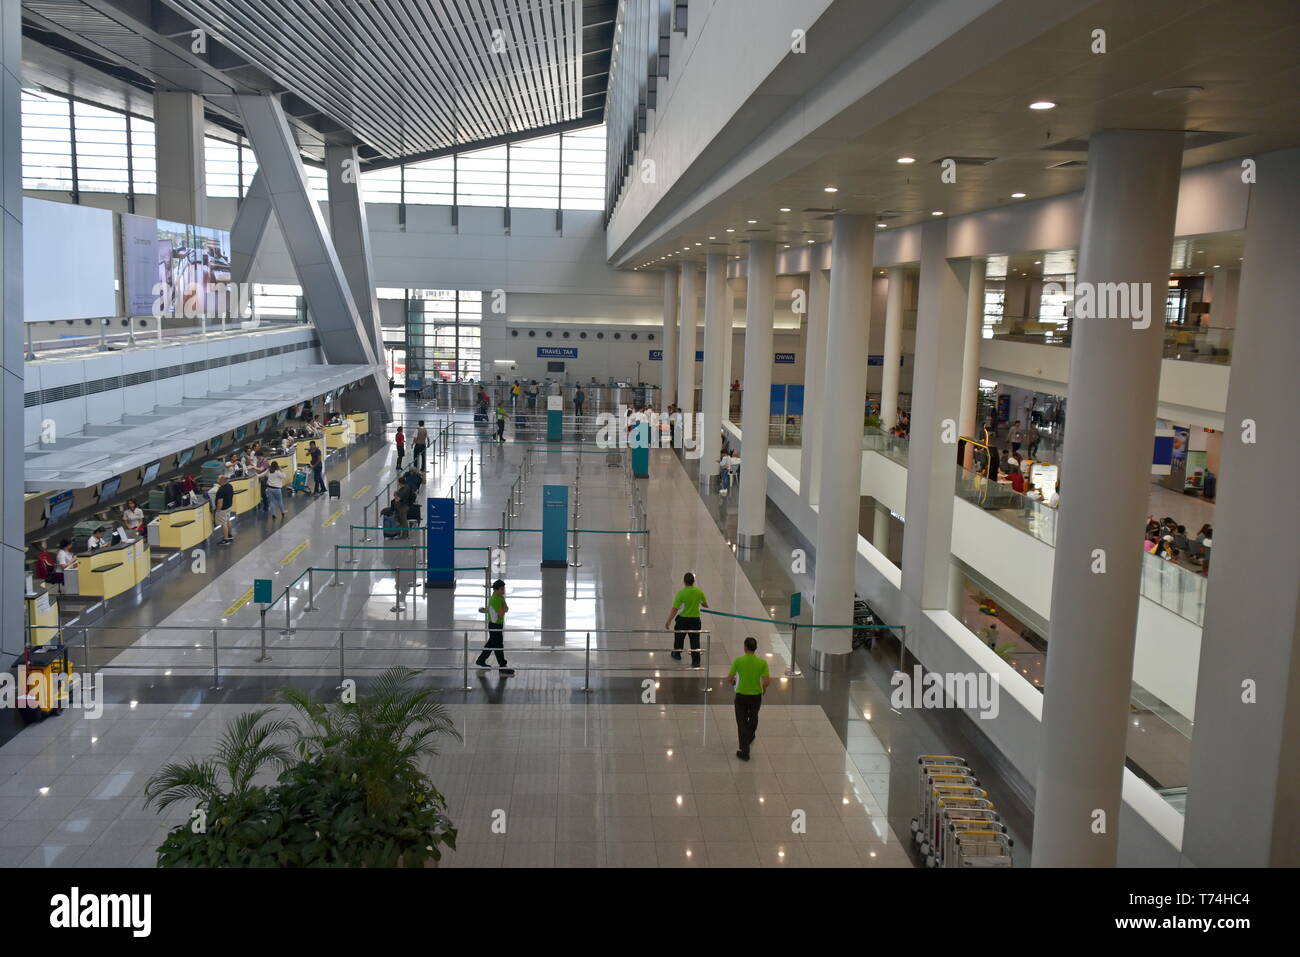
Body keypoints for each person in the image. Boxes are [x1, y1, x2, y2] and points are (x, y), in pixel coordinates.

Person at [727, 637, 770, 761]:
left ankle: (744, 751)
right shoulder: (762, 663)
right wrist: (763, 687)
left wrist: (734, 682)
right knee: (753, 717)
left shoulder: (738, 661)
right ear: (755, 648)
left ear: (745, 647)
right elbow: (767, 682)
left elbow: (730, 678)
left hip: (741, 696)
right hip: (756, 696)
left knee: (741, 722)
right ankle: (750, 735)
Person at [664, 571, 708, 667]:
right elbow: (705, 604)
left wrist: (668, 621)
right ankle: (696, 661)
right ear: (693, 581)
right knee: (695, 641)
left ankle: (677, 653)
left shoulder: (681, 593)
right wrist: (701, 604)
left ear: (684, 582)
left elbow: (675, 609)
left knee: (679, 638)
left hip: (682, 620)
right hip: (695, 620)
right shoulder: (699, 592)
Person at [476, 579, 514, 675]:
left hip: (497, 624)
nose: (503, 591)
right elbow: (501, 613)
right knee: (498, 646)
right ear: (496, 590)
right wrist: (504, 608)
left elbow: (506, 608)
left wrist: (504, 608)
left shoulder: (499, 596)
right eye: (501, 589)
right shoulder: (496, 599)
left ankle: (481, 660)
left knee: (492, 643)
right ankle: (502, 666)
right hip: (495, 625)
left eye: (503, 589)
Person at [213, 475, 236, 545]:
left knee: (223, 524)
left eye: (218, 479)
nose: (217, 480)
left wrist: (217, 510)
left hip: (222, 509)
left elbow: (220, 502)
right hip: (228, 506)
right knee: (228, 520)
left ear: (222, 481)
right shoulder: (230, 486)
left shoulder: (221, 490)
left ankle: (225, 539)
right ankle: (229, 535)